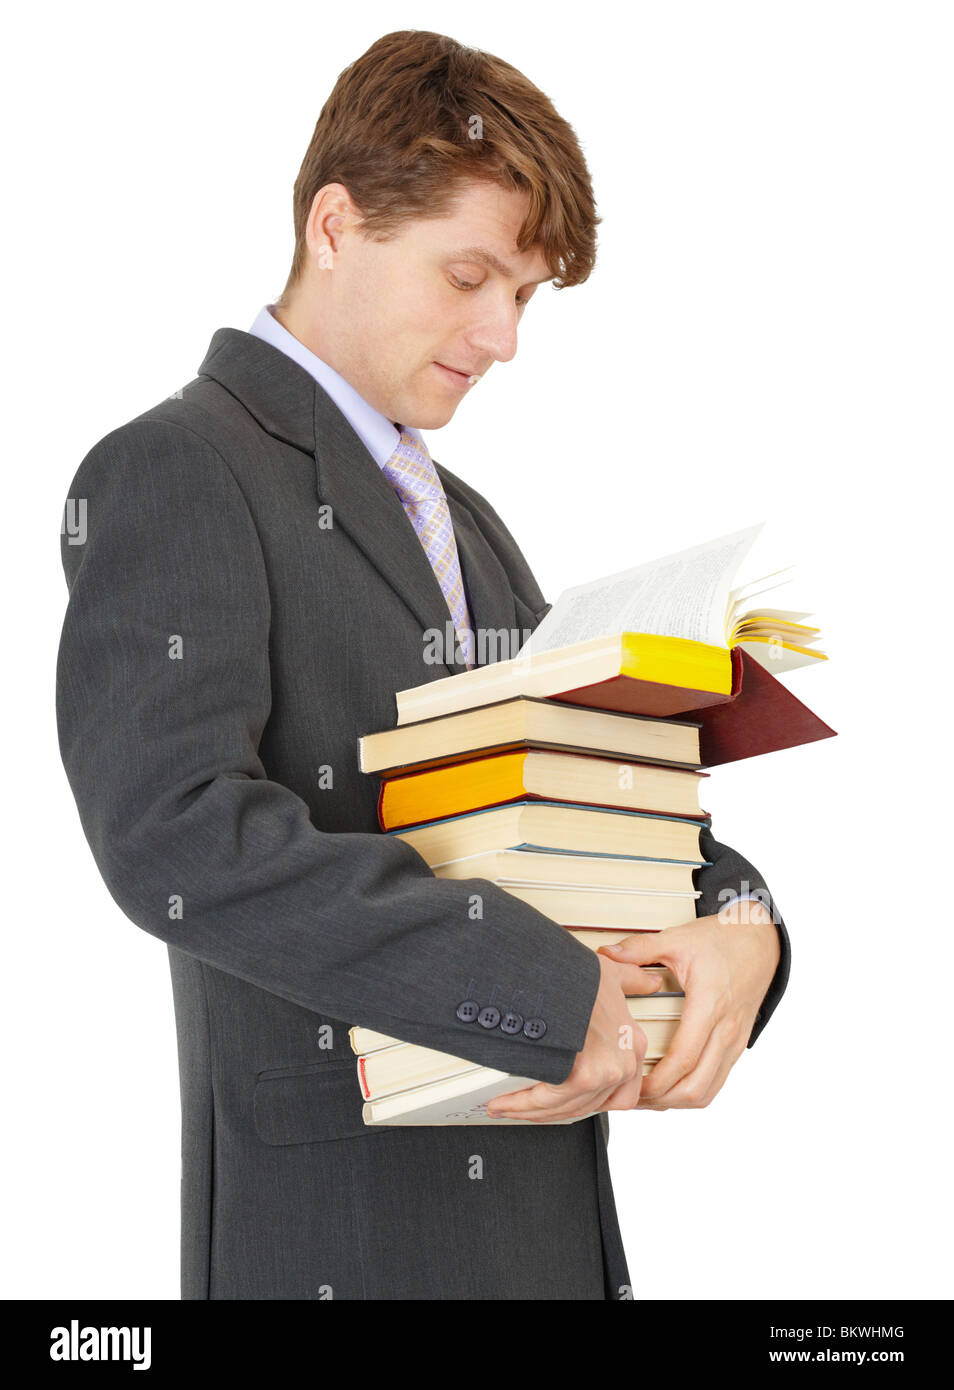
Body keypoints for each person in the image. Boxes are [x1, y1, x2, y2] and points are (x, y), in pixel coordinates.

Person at [55, 29, 789, 1301]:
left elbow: (565, 797)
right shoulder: (178, 467)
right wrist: (529, 983)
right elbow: (171, 832)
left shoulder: (472, 521)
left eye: (526, 293)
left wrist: (741, 927)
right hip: (346, 1236)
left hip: (549, 1236)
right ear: (335, 225)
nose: (503, 334)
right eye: (471, 275)